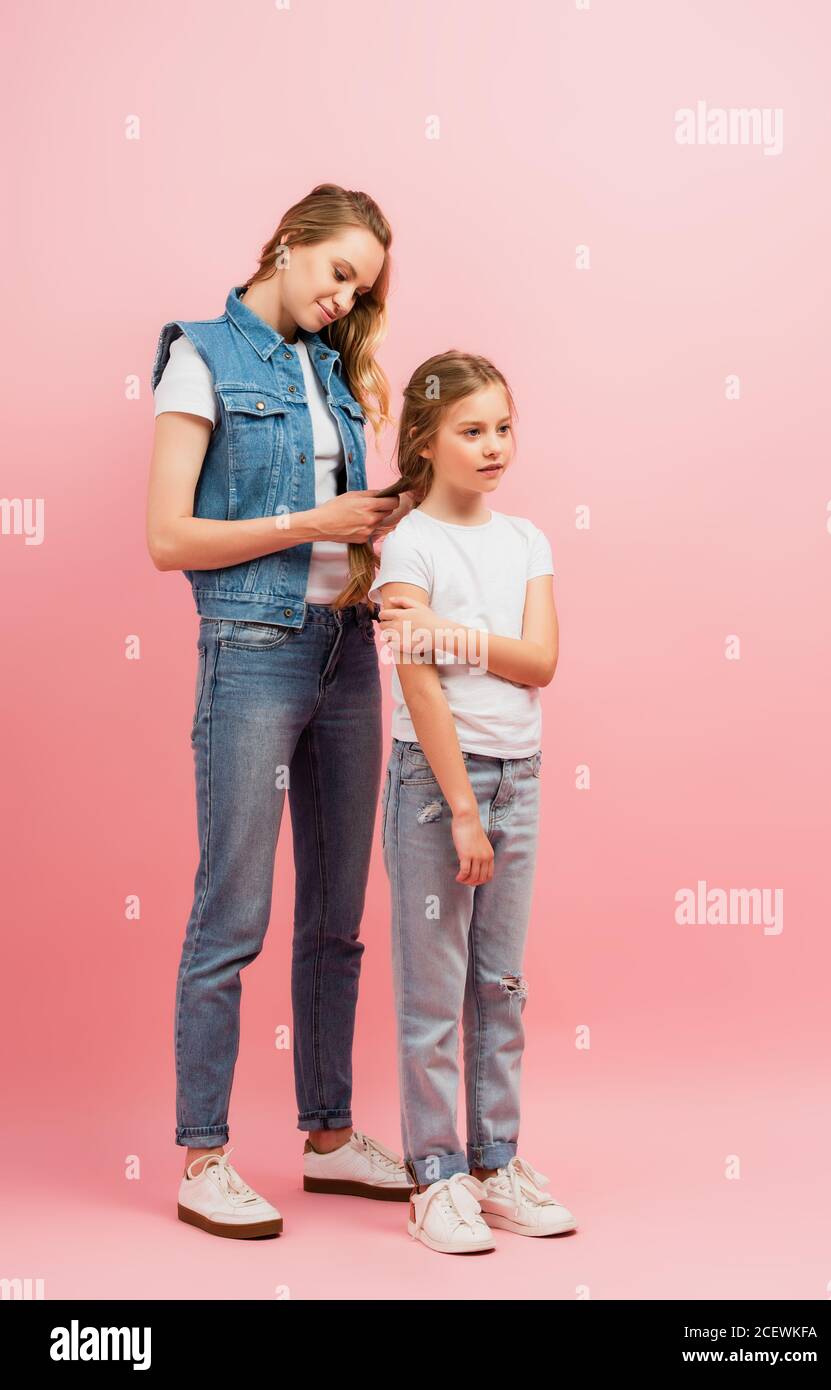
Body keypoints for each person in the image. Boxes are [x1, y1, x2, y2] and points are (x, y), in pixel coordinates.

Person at [146, 183, 415, 1239]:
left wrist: (375, 534)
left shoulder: (332, 372)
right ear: (290, 243)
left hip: (348, 651)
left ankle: (331, 1132)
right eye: (339, 271)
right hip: (252, 655)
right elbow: (170, 537)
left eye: (364, 286)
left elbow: (335, 524)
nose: (348, 298)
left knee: (337, 917)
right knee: (234, 911)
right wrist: (313, 520)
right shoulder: (200, 354)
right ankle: (201, 1155)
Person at [368, 350, 577, 1253]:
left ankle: (496, 1163)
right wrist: (459, 807)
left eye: (502, 428)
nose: (493, 446)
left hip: (520, 777)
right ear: (425, 440)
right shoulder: (408, 543)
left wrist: (449, 631)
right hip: (434, 786)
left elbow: (539, 665)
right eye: (471, 430)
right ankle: (436, 1177)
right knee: (432, 991)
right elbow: (416, 687)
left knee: (500, 985)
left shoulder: (526, 540)